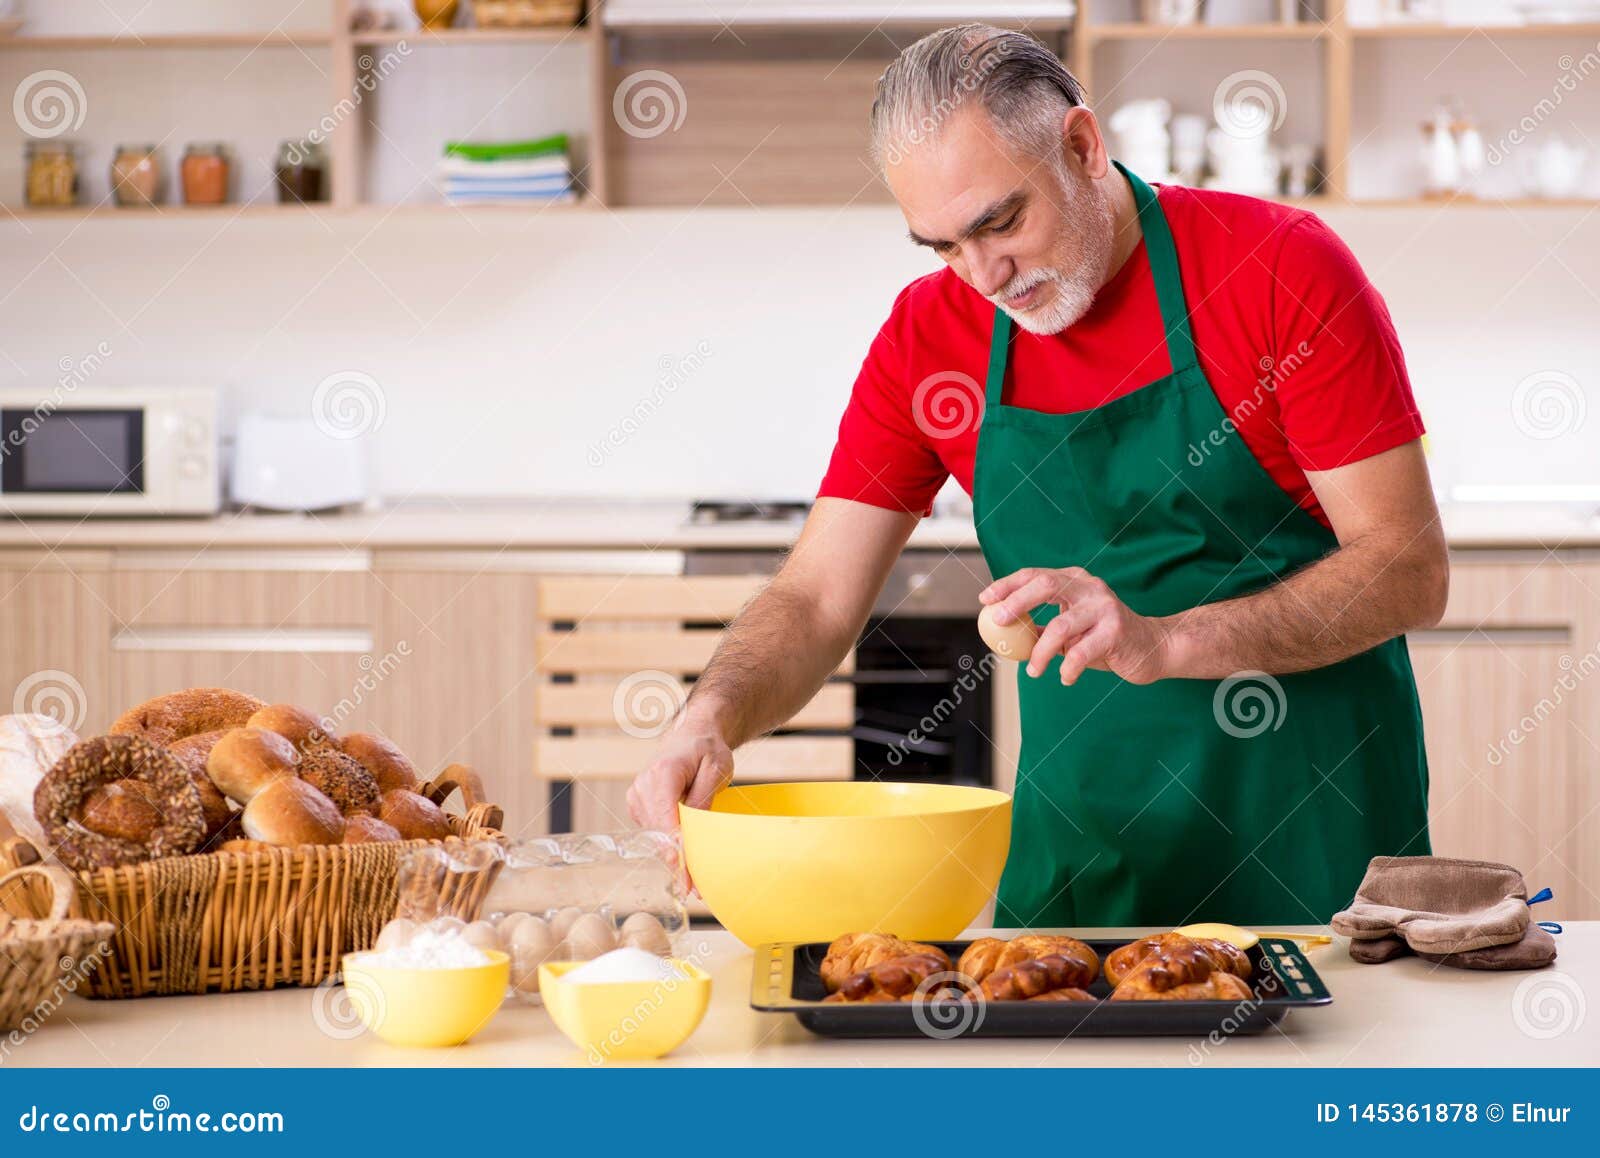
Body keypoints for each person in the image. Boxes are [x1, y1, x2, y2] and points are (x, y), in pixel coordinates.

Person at [629, 25, 1446, 927]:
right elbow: (818, 598)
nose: (983, 273)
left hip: (1315, 857)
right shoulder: (928, 338)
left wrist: (1167, 642)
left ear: (1084, 147)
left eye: (1001, 221)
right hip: (1083, 871)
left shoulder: (1278, 267)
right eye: (940, 245)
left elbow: (1407, 569)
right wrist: (709, 716)